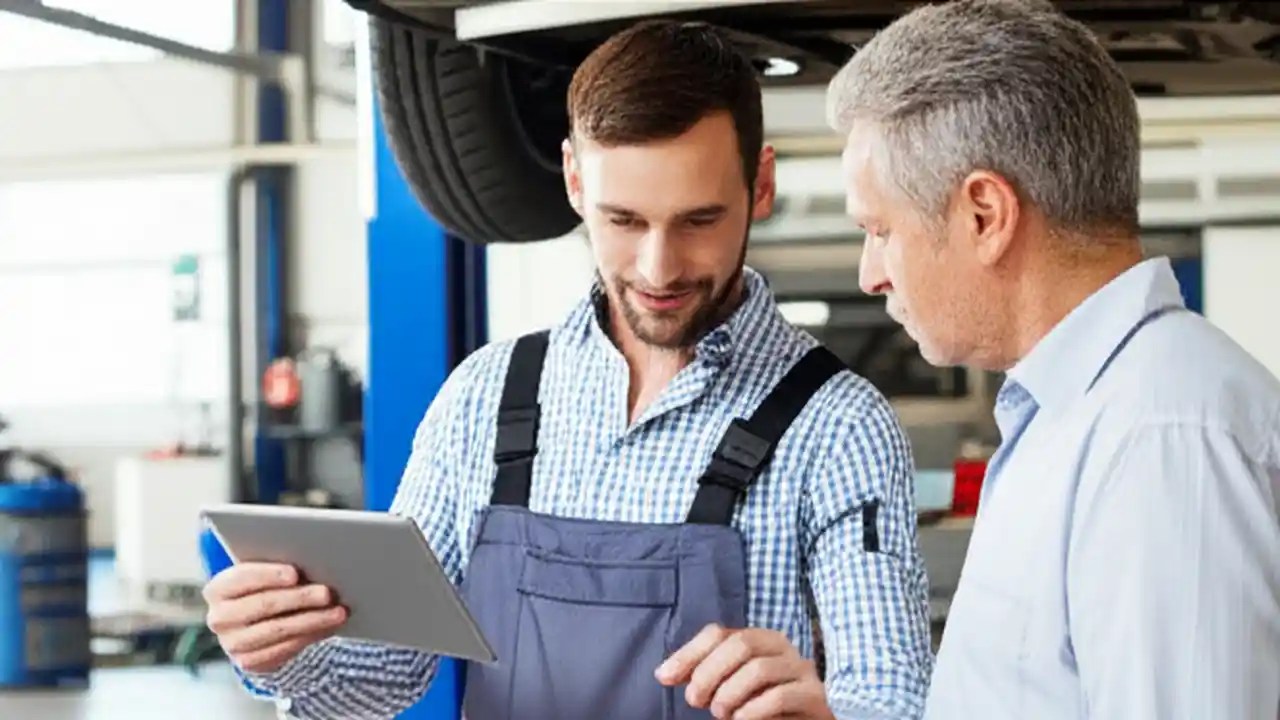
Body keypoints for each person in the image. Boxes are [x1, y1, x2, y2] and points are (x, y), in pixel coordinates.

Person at [203, 20, 934, 720]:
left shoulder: (838, 425)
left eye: (698, 221)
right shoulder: (485, 398)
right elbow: (385, 678)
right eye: (624, 221)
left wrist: (827, 713)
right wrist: (278, 649)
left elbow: (891, 696)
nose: (659, 267)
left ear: (761, 184)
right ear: (574, 181)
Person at [825, 0, 1280, 718]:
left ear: (985, 215)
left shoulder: (1163, 439)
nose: (869, 273)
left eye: (880, 229)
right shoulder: (1072, 414)